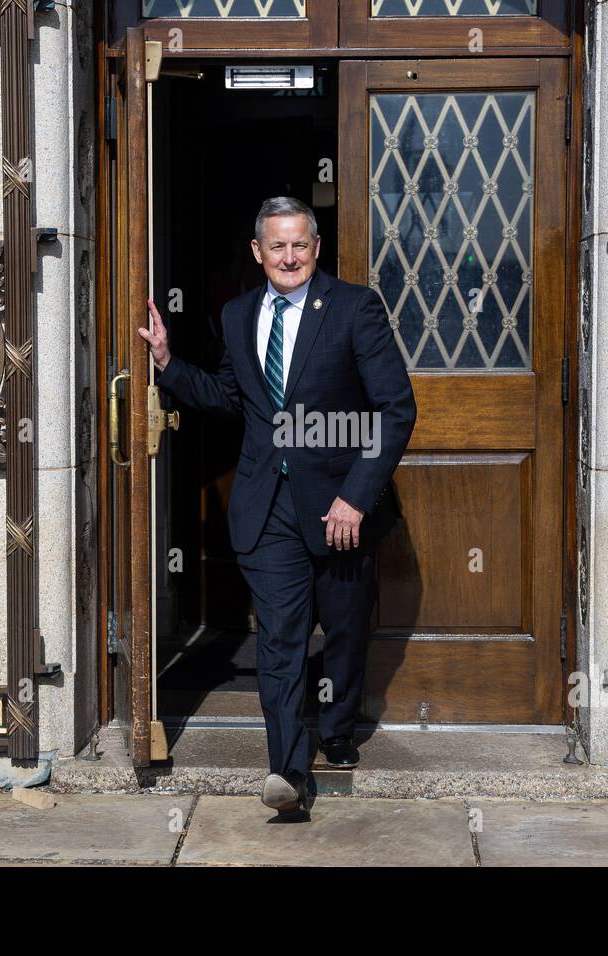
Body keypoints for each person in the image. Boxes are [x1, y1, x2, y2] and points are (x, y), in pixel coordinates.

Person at [138, 196, 416, 813]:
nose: (289, 257)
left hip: (341, 506)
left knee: (343, 630)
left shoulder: (354, 308)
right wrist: (167, 362)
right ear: (257, 253)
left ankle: (338, 729)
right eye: (277, 246)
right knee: (281, 640)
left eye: (300, 245)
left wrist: (355, 497)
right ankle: (287, 771)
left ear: (316, 248)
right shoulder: (238, 316)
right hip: (268, 507)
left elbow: (396, 409)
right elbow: (231, 398)